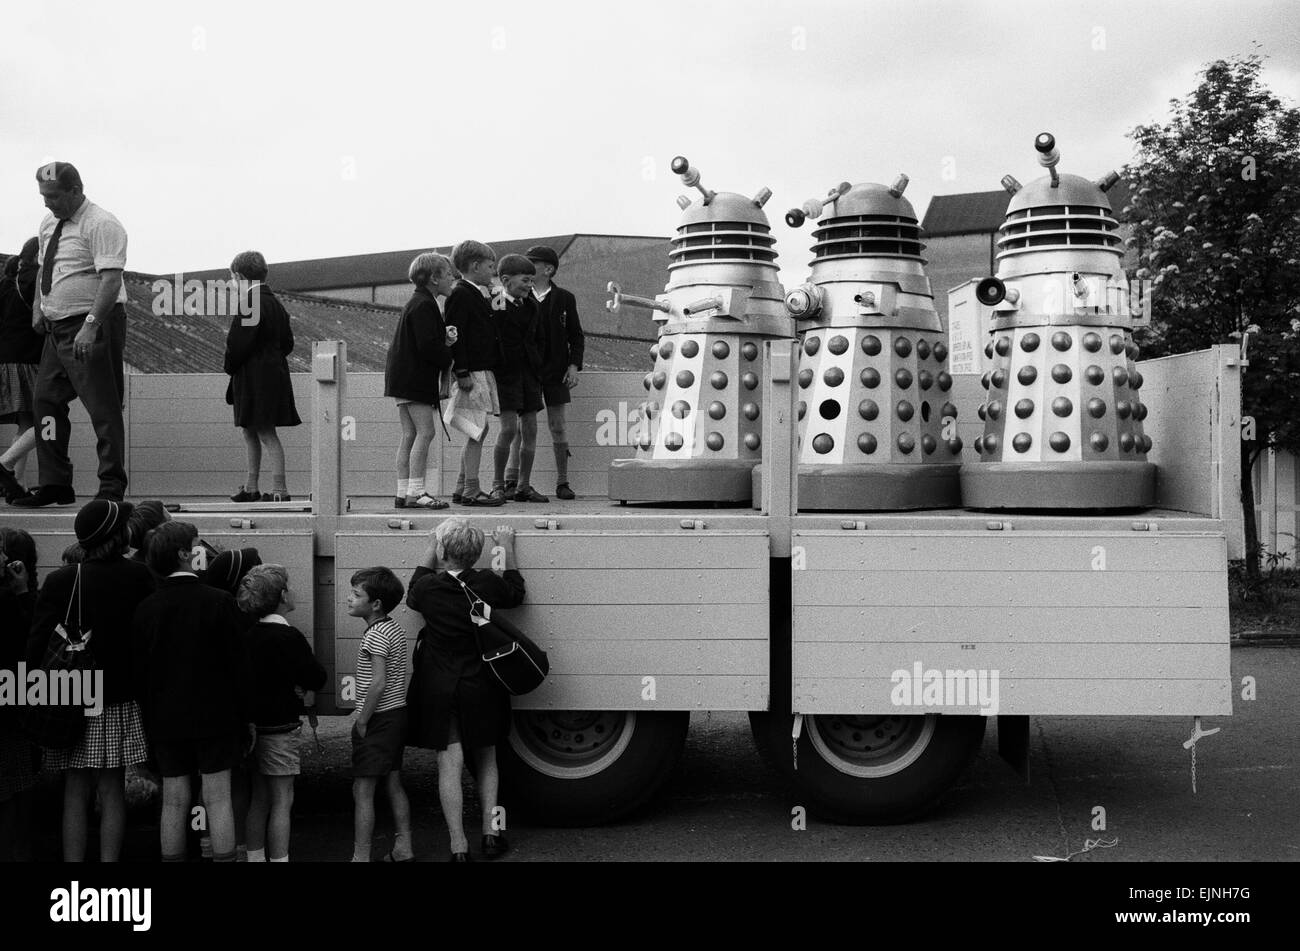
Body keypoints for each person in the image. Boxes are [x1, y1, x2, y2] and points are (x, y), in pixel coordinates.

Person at [27, 500, 155, 861]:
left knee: (74, 791)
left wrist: (28, 695)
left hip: (69, 697)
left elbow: (36, 644)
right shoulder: (139, 577)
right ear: (116, 535)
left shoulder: (62, 580)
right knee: (112, 789)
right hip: (118, 698)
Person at [133, 521, 252, 863]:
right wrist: (247, 718)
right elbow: (238, 667)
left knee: (173, 799)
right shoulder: (220, 602)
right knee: (218, 798)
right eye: (197, 546)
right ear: (185, 554)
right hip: (216, 717)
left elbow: (140, 673)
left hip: (165, 719)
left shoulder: (146, 608)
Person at [14, 164, 130, 507]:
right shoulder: (49, 223)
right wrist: (39, 306)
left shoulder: (101, 223)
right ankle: (55, 482)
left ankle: (111, 484)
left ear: (75, 190)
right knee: (45, 402)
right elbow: (43, 271)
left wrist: (91, 325)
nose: (48, 204)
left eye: (53, 196)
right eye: (43, 197)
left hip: (91, 324)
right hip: (56, 327)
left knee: (102, 406)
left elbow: (110, 281)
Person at [407, 518, 522, 861]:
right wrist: (505, 547)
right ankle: (490, 833)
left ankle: (457, 845)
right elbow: (516, 592)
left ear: (443, 552)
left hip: (440, 687)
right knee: (487, 758)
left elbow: (413, 587)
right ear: (476, 554)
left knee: (449, 765)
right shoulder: (486, 582)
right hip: (481, 685)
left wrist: (432, 545)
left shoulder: (427, 589)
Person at [238, 565, 324, 863]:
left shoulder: (247, 635)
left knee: (258, 800)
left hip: (251, 728)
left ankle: (255, 858)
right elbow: (316, 676)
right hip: (281, 728)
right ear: (283, 595)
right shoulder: (290, 637)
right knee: (282, 801)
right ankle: (280, 860)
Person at [346, 567, 414, 862]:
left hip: (378, 720)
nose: (349, 598)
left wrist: (362, 719)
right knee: (393, 781)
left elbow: (378, 682)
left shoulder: (375, 636)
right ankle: (404, 847)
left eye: (356, 594)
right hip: (397, 715)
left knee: (362, 790)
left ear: (375, 604)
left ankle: (360, 857)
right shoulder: (393, 628)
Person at [506, 245, 584, 501]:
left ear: (548, 269)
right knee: (519, 427)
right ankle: (512, 479)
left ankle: (563, 481)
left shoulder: (565, 298)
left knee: (558, 426)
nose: (527, 268)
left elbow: (576, 336)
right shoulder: (519, 297)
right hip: (527, 371)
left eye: (533, 264)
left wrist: (573, 366)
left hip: (555, 372)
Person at [223, 251, 301, 503]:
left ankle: (278, 489)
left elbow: (238, 344)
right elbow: (288, 343)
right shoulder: (275, 303)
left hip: (252, 377)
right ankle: (252, 487)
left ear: (239, 276)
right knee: (255, 430)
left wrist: (231, 365)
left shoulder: (250, 302)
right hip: (273, 373)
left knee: (262, 432)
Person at [384, 252, 458, 510]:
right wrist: (448, 351)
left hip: (401, 378)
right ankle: (417, 492)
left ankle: (402, 492)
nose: (453, 279)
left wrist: (442, 338)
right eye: (449, 274)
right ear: (434, 278)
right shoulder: (426, 305)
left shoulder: (416, 302)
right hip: (416, 380)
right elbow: (428, 346)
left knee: (409, 434)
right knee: (426, 432)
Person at [443, 241, 506, 507]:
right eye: (491, 266)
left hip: (478, 369)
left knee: (476, 427)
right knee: (477, 429)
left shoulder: (474, 293)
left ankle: (462, 486)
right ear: (475, 265)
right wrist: (462, 370)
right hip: (472, 371)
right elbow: (456, 334)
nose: (493, 272)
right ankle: (471, 488)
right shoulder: (461, 294)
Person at [492, 254, 548, 503]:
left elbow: (539, 339)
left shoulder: (533, 305)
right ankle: (498, 484)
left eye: (532, 281)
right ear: (506, 280)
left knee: (530, 429)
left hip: (529, 375)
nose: (529, 285)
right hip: (506, 375)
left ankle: (523, 485)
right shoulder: (496, 301)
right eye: (525, 280)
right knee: (507, 429)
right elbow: (493, 337)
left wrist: (538, 365)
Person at [0, 527, 40, 860]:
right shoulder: (10, 603)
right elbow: (28, 644)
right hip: (12, 707)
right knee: (16, 797)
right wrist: (23, 591)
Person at [0, 239, 43, 503]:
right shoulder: (36, 279)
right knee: (49, 422)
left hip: (5, 360)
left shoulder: (6, 282)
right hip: (28, 360)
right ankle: (4, 464)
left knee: (26, 422)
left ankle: (17, 483)